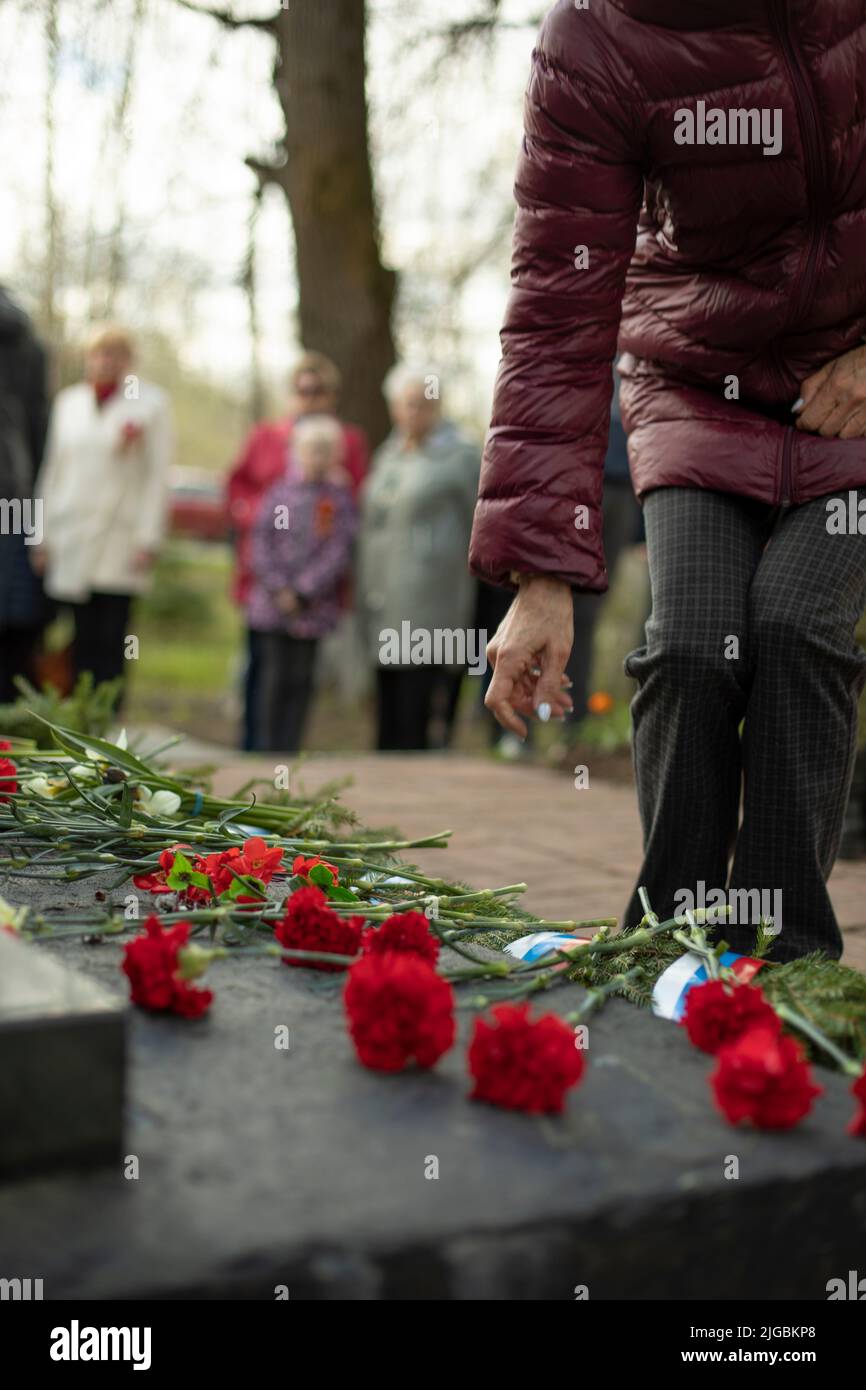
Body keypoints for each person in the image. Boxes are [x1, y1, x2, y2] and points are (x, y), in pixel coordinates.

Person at [472, 1, 866, 964]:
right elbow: (557, 319)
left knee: (795, 626)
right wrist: (540, 577)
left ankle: (783, 961)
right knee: (691, 647)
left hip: (857, 376)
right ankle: (668, 948)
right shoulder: (593, 41)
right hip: (697, 380)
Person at [226, 350, 369, 750]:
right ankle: (252, 749)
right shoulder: (266, 436)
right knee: (260, 667)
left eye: (318, 390)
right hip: (266, 577)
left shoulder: (347, 443)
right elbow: (237, 488)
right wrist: (255, 519)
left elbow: (351, 513)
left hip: (315, 585)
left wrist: (308, 584)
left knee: (299, 676)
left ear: (332, 395)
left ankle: (283, 752)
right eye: (301, 390)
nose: (309, 397)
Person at [34, 325, 172, 697]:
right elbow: (52, 470)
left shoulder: (150, 404)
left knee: (114, 636)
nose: (105, 361)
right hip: (72, 533)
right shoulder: (69, 403)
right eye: (99, 353)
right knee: (78, 632)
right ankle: (75, 719)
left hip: (120, 536)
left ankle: (108, 719)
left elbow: (157, 477)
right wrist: (40, 536)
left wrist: (148, 537)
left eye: (114, 354)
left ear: (128, 361)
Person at [358, 365, 480, 751]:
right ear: (394, 407)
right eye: (408, 405)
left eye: (425, 404)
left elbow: (483, 518)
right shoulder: (388, 455)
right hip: (383, 597)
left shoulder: (461, 457)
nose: (416, 413)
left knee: (421, 706)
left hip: (433, 602)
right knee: (388, 711)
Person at [247, 415, 356, 752]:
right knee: (270, 681)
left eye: (325, 450)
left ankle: (289, 751)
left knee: (300, 681)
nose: (316, 457)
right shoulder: (278, 493)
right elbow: (260, 543)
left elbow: (339, 550)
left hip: (313, 610)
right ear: (296, 451)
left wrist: (304, 591)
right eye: (310, 449)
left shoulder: (337, 500)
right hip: (272, 607)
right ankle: (263, 752)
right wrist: (280, 587)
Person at [0, 287, 48, 702]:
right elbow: (40, 427)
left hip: (13, 493)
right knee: (16, 610)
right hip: (18, 496)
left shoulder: (27, 344)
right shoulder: (29, 339)